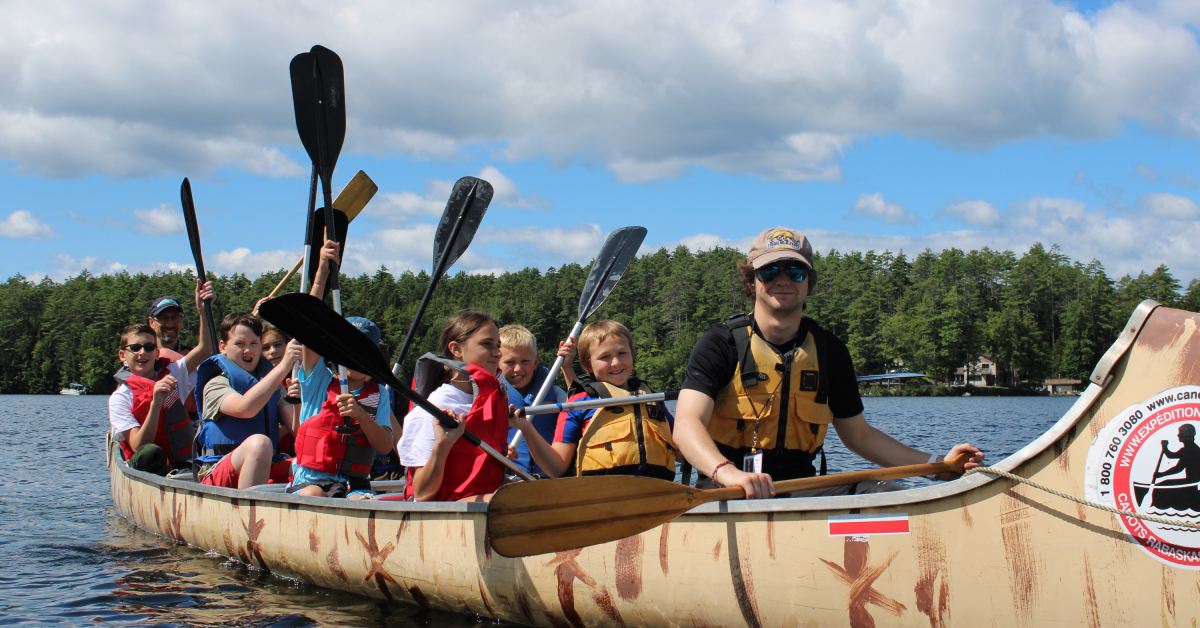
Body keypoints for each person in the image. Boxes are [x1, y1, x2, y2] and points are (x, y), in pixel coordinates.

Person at [671, 226, 984, 498]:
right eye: (770, 271)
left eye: (795, 272)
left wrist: (938, 466)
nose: (783, 280)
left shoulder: (829, 350)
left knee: (878, 492)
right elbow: (687, 426)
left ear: (809, 282)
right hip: (727, 488)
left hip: (805, 489)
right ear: (752, 280)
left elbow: (859, 435)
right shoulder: (720, 343)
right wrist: (728, 474)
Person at [287, 239, 395, 499]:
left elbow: (384, 446)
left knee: (363, 502)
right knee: (313, 495)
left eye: (363, 352)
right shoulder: (319, 380)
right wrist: (322, 273)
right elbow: (310, 326)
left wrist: (359, 414)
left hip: (354, 485)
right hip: (311, 482)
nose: (356, 358)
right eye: (351, 351)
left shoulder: (377, 393)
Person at [512, 320, 677, 480]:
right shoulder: (579, 403)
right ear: (587, 365)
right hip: (601, 500)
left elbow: (682, 451)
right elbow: (557, 467)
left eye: (622, 353)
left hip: (658, 494)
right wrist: (526, 427)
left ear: (632, 355)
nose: (616, 363)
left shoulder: (651, 399)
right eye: (605, 357)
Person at [396, 311, 510, 502]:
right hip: (444, 517)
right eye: (486, 344)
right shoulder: (434, 408)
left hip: (483, 511)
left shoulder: (492, 403)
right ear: (456, 349)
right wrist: (442, 445)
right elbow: (422, 494)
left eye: (498, 345)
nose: (498, 353)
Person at [108, 280, 215, 474]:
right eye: (135, 348)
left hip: (180, 463)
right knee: (151, 452)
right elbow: (139, 445)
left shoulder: (173, 373)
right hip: (148, 465)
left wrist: (203, 310)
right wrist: (156, 403)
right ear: (123, 355)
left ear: (157, 353)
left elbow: (205, 348)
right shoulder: (120, 397)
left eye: (149, 348)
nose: (142, 353)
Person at [193, 312, 301, 489]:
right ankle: (249, 514)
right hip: (219, 471)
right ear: (223, 347)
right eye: (240, 344)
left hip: (266, 464)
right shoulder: (215, 385)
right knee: (259, 444)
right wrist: (283, 366)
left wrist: (297, 403)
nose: (248, 350)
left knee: (309, 465)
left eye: (253, 344)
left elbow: (299, 430)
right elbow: (246, 408)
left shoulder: (273, 386)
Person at [498, 324, 567, 477]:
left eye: (525, 361)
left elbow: (577, 411)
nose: (518, 369)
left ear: (536, 362)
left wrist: (567, 369)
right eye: (510, 362)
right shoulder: (491, 399)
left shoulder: (556, 395)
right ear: (497, 362)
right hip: (510, 478)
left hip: (547, 477)